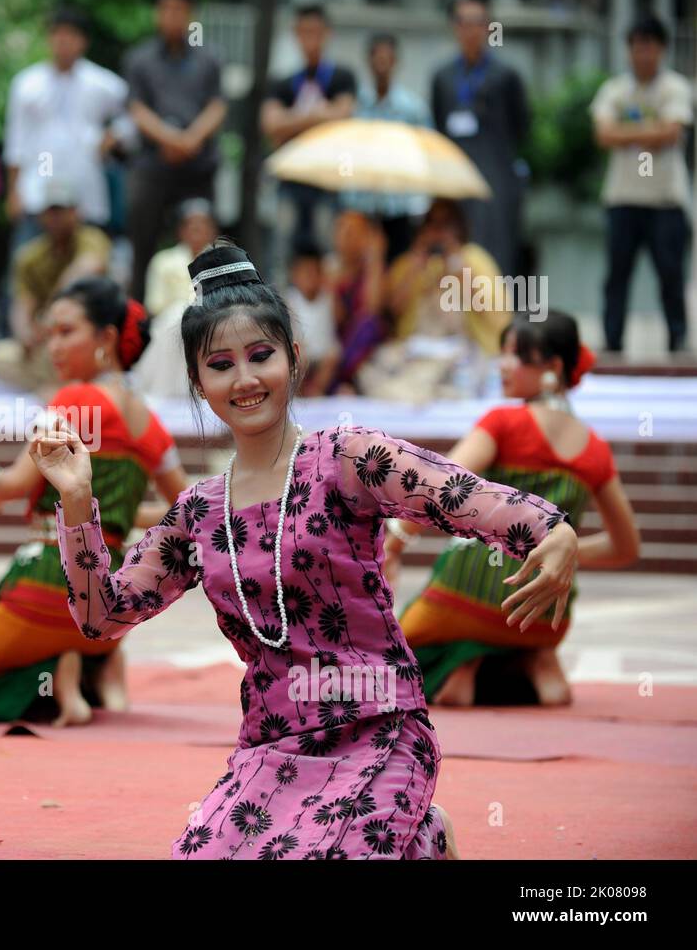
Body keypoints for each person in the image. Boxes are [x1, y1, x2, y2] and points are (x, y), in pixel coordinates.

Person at [31, 238, 579, 859]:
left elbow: (454, 494)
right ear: (197, 380)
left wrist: (551, 529)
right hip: (273, 747)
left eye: (261, 355)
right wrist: (77, 503)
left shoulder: (344, 458)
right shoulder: (199, 513)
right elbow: (100, 616)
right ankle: (421, 842)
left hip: (379, 727)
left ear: (294, 356)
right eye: (220, 365)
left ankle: (417, 831)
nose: (244, 379)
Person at [0, 277, 186, 725]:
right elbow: (188, 507)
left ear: (105, 338)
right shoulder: (152, 423)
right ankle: (91, 666)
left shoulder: (74, 399)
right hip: (112, 604)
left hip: (47, 582)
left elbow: (16, 484)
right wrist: (121, 521)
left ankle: (57, 671)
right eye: (50, 335)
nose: (54, 347)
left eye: (67, 332)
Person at [389, 311, 640, 707]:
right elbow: (626, 548)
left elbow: (443, 483)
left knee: (394, 659)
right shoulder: (596, 449)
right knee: (521, 632)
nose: (504, 364)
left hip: (469, 597)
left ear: (552, 368)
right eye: (503, 353)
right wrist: (559, 555)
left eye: (518, 356)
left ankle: (463, 668)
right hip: (544, 611)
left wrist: (397, 539)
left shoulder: (505, 422)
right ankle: (539, 658)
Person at [591, 14, 692, 355]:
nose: (643, 54)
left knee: (671, 276)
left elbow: (672, 133)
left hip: (665, 200)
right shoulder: (614, 89)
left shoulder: (675, 87)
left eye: (649, 47)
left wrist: (627, 133)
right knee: (617, 277)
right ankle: (613, 342)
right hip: (623, 198)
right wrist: (650, 131)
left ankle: (677, 342)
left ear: (661, 49)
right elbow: (603, 135)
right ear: (629, 50)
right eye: (637, 47)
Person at [124, 0, 226, 303]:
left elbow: (218, 106)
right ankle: (140, 319)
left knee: (205, 243)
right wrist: (170, 139)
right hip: (153, 166)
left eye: (179, 9)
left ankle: (212, 310)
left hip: (197, 166)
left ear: (191, 14)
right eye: (166, 8)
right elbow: (136, 108)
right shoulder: (139, 59)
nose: (172, 15)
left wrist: (191, 138)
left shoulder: (209, 58)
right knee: (143, 244)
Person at [3, 6, 128, 252]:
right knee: (28, 264)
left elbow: (134, 114)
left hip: (85, 189)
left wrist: (114, 136)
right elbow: (15, 143)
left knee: (87, 271)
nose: (63, 41)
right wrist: (13, 192)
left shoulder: (103, 83)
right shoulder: (26, 84)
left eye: (70, 35)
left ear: (83, 41)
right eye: (57, 34)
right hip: (36, 191)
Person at [368, 198, 511, 402]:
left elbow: (493, 314)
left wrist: (458, 270)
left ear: (458, 228)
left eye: (445, 224)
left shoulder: (474, 259)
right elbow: (393, 311)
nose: (439, 231)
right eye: (433, 224)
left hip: (460, 354)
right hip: (415, 351)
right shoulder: (410, 262)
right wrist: (416, 266)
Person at [430, 0, 530, 278]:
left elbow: (521, 127)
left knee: (496, 252)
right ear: (455, 27)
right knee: (453, 246)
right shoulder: (443, 77)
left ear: (488, 28)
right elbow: (439, 125)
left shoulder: (506, 75)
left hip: (495, 177)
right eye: (464, 22)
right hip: (455, 175)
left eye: (478, 23)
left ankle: (499, 318)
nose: (471, 30)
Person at [0, 178, 110, 395]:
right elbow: (22, 304)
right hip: (49, 342)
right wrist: (25, 335)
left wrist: (50, 315)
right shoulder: (29, 257)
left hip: (87, 334)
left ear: (75, 212)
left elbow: (87, 267)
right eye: (50, 212)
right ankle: (59, 388)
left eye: (61, 210)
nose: (55, 218)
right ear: (41, 216)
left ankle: (59, 388)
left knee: (75, 343)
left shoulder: (92, 238)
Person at [261, 3, 358, 258]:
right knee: (282, 253)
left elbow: (343, 117)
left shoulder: (342, 77)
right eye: (304, 32)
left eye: (315, 31)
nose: (310, 39)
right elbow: (271, 125)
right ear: (296, 34)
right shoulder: (283, 82)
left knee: (329, 252)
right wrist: (319, 114)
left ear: (327, 33)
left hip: (328, 181)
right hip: (290, 181)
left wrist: (292, 121)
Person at [340, 32, 433, 263]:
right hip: (362, 205)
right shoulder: (355, 107)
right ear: (369, 62)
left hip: (399, 206)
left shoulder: (412, 109)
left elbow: (427, 154)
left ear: (396, 62)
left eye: (387, 58)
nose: (382, 64)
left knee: (398, 267)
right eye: (377, 58)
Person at [131, 197, 217, 398]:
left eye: (202, 225)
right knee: (176, 319)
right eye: (191, 225)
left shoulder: (223, 259)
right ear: (181, 230)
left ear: (212, 230)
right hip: (171, 326)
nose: (197, 230)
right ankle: (168, 393)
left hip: (214, 322)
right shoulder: (163, 261)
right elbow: (155, 306)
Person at [325, 210, 388, 394]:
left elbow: (372, 309)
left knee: (368, 324)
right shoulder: (328, 270)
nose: (344, 237)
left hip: (363, 350)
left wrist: (375, 261)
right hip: (335, 344)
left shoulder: (372, 270)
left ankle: (342, 378)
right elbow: (335, 318)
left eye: (352, 231)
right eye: (340, 230)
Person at [283, 239, 338, 397]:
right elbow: (291, 329)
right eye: (305, 273)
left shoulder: (328, 298)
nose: (311, 278)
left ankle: (316, 391)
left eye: (315, 272)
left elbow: (338, 320)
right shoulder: (291, 300)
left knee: (332, 356)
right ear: (294, 275)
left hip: (325, 349)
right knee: (298, 359)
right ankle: (299, 393)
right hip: (303, 348)